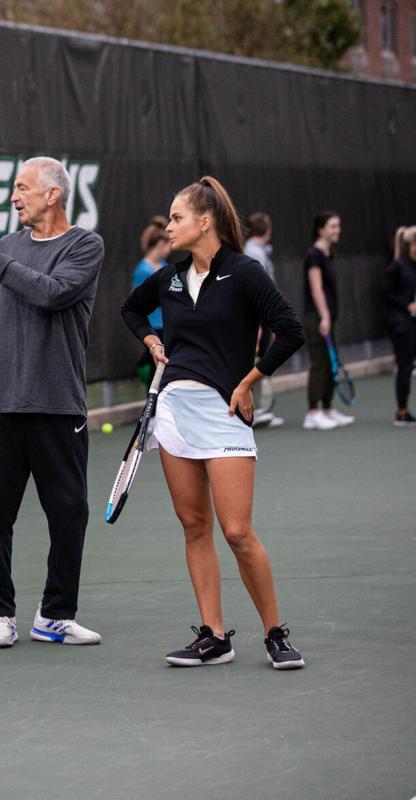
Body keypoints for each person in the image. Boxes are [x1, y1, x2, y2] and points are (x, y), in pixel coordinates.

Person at [121, 176, 306, 669]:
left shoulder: (244, 273)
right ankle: (214, 636)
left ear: (205, 222)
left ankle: (275, 633)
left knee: (238, 531)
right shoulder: (169, 277)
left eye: (178, 217)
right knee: (193, 525)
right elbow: (131, 310)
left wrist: (249, 381)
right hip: (174, 414)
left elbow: (291, 330)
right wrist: (151, 341)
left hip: (224, 413)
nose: (170, 225)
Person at [0, 156, 104, 649]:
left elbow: (52, 293)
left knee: (68, 511)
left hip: (58, 403)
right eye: (13, 189)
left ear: (53, 194)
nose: (14, 197)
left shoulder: (85, 245)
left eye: (22, 188)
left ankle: (55, 616)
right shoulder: (8, 248)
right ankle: (0, 615)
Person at [302, 211, 353, 430]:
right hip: (317, 317)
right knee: (320, 363)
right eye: (333, 226)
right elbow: (316, 288)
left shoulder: (328, 254)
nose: (337, 230)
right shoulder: (313, 255)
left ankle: (328, 408)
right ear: (321, 229)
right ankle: (313, 413)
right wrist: (324, 315)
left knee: (330, 362)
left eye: (338, 226)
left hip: (327, 317)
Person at [243, 212, 285, 427]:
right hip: (258, 316)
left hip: (263, 316)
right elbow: (255, 290)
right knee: (253, 363)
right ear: (266, 230)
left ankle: (255, 409)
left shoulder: (258, 251)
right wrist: (258, 322)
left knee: (258, 362)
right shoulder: (253, 252)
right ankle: (251, 409)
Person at [132, 217, 171, 386]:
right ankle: (152, 405)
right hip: (152, 328)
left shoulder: (164, 265)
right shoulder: (143, 270)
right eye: (168, 244)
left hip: (167, 324)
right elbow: (135, 301)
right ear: (161, 243)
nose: (171, 248)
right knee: (155, 368)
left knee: (165, 367)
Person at [383, 225, 416, 426]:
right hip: (400, 325)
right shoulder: (397, 267)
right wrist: (406, 305)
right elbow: (385, 295)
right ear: (409, 245)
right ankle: (401, 412)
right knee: (404, 366)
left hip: (413, 322)